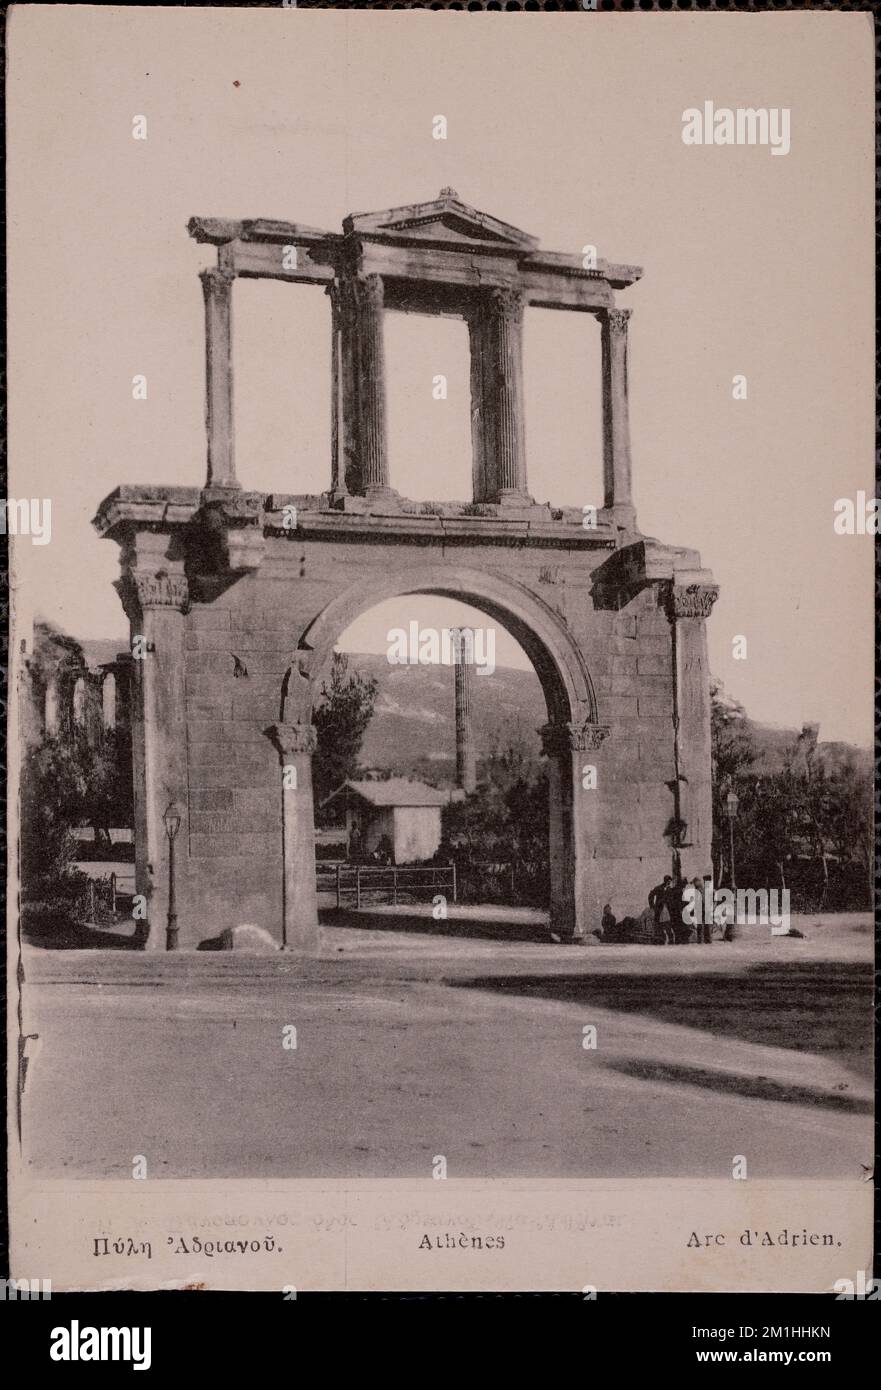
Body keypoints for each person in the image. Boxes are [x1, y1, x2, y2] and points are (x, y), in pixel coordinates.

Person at [648, 874, 673, 944]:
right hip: (659, 910)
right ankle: (660, 940)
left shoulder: (670, 889)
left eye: (670, 881)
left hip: (667, 910)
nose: (669, 883)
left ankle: (670, 941)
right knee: (658, 926)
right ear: (665, 881)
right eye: (668, 881)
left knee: (668, 925)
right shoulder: (658, 888)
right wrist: (652, 906)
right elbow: (650, 895)